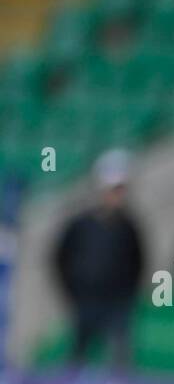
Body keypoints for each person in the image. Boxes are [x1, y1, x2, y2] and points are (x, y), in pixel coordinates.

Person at [52, 149, 145, 370]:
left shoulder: (129, 226)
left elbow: (138, 262)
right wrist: (73, 290)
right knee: (78, 358)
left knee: (118, 361)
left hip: (117, 305)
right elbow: (60, 258)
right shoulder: (80, 224)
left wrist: (127, 295)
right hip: (85, 300)